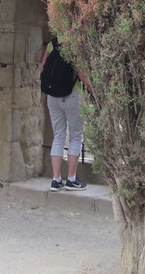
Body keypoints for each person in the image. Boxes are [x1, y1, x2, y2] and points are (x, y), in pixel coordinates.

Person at [40, 36, 87, 191]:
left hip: (52, 97)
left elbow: (42, 68)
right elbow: (80, 73)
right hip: (73, 95)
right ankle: (72, 179)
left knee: (58, 136)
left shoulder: (52, 44)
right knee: (75, 136)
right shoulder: (76, 43)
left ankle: (56, 179)